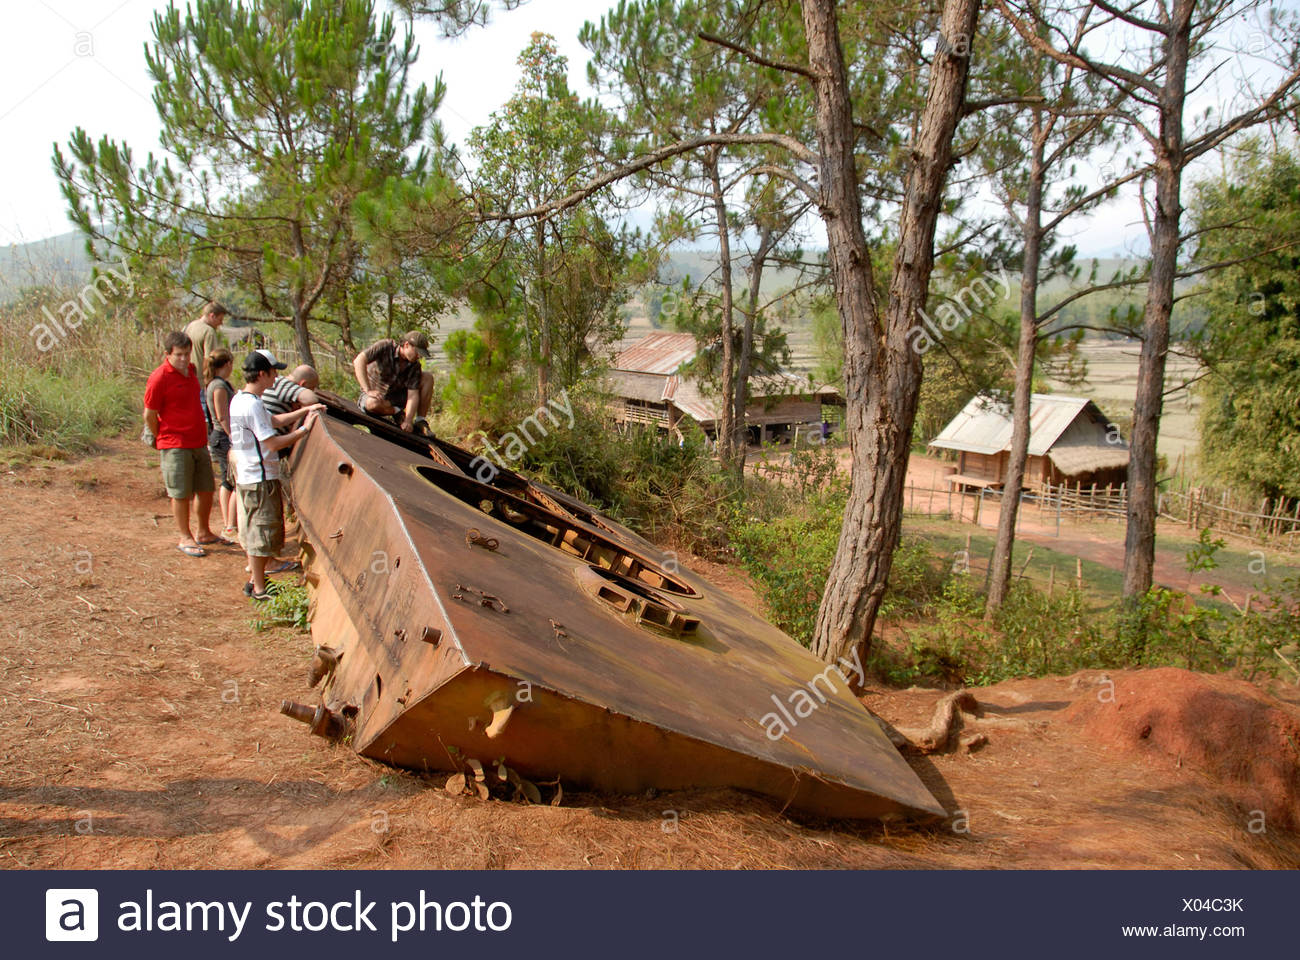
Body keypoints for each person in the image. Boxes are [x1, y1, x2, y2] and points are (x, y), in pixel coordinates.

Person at [229, 351, 323, 600]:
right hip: (259, 477)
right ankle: (259, 588)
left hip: (250, 475)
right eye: (273, 372)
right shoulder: (251, 403)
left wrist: (306, 410)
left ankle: (257, 581)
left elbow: (272, 420)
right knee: (261, 534)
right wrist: (304, 430)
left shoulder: (242, 399)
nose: (277, 377)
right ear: (262, 374)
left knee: (256, 532)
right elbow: (272, 443)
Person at [143, 331, 226, 557]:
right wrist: (161, 436)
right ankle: (184, 536)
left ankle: (203, 531)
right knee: (180, 493)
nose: (183, 359)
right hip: (174, 442)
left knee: (206, 488)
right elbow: (149, 414)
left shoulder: (191, 371)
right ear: (167, 354)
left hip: (198, 440)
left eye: (187, 354)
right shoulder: (159, 378)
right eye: (178, 355)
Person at [352, 331, 434, 434]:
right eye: (417, 352)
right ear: (406, 345)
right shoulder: (385, 346)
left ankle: (420, 420)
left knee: (427, 377)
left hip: (396, 397)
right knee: (372, 404)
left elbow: (412, 395)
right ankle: (396, 411)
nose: (419, 356)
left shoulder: (415, 366)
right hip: (375, 396)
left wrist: (408, 421)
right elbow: (359, 361)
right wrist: (368, 390)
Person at [204, 348, 238, 540]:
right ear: (226, 364)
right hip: (222, 437)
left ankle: (230, 523)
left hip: (222, 436)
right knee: (229, 481)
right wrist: (232, 435)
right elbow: (221, 416)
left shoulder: (219, 384)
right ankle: (229, 525)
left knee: (227, 480)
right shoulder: (218, 386)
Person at [183, 302, 229, 393]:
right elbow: (210, 360)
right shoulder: (209, 332)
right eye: (220, 319)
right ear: (212, 316)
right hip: (201, 383)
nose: (221, 323)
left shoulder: (188, 326)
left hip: (186, 379)